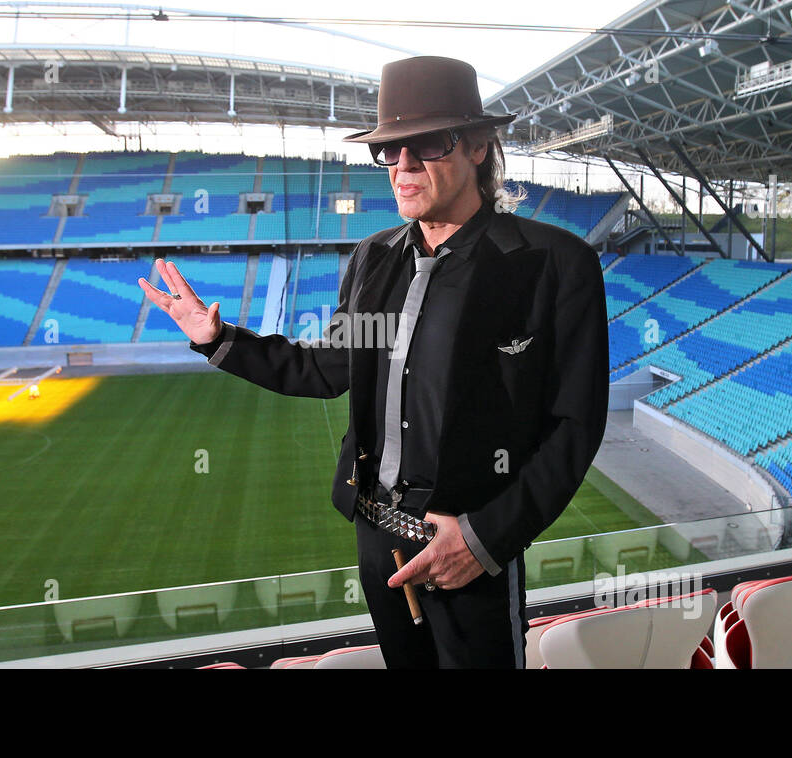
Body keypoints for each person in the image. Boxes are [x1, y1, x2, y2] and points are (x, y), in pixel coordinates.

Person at [138, 55, 609, 668]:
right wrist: (220, 338)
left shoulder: (553, 263)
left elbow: (575, 426)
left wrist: (484, 539)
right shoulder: (371, 259)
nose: (404, 167)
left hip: (468, 546)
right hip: (375, 537)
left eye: (427, 145)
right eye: (389, 151)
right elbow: (327, 368)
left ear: (478, 147)